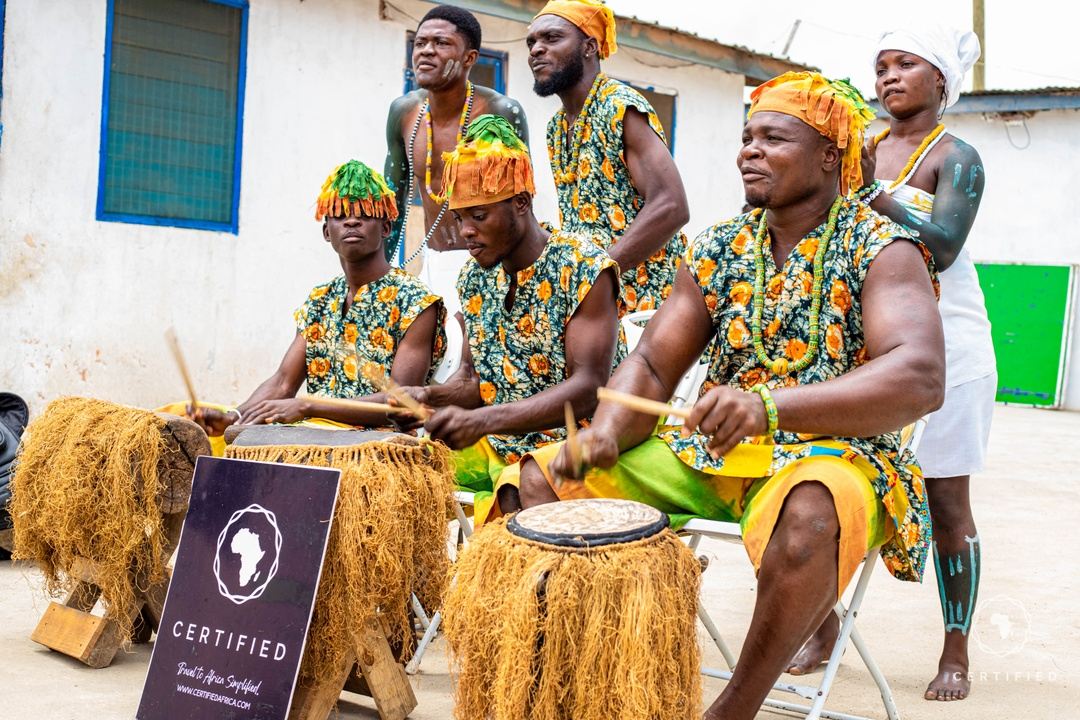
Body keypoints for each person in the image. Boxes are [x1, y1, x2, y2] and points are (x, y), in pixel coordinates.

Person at [513, 71, 945, 720]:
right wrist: (606, 431)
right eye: (746, 137)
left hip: (835, 454)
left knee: (809, 514)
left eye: (773, 137)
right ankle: (576, 686)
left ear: (830, 156)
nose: (750, 149)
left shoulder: (882, 246)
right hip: (712, 453)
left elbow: (918, 375)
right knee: (541, 480)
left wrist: (771, 408)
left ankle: (733, 708)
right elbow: (655, 364)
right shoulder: (721, 247)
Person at [846, 27, 990, 702]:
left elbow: (945, 244)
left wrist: (868, 195)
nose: (889, 76)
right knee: (842, 482)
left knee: (945, 500)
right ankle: (820, 628)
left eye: (906, 64)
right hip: (864, 344)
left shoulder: (959, 157)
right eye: (881, 66)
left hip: (948, 345)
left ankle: (955, 650)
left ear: (941, 82)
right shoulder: (859, 148)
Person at [395, 115, 621, 523]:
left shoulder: (583, 266)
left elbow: (589, 389)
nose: (464, 231)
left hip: (576, 445)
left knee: (518, 491)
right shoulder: (474, 276)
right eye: (459, 217)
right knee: (399, 469)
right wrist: (430, 398)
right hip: (497, 439)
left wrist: (484, 419)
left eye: (478, 216)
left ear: (521, 203)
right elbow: (472, 379)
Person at [179, 160, 446, 454]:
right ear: (326, 232)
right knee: (186, 421)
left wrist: (308, 406)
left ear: (385, 227)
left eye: (364, 214)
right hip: (310, 436)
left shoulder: (416, 301)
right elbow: (283, 383)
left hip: (376, 447)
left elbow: (399, 404)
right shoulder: (320, 300)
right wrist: (235, 417)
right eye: (341, 214)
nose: (352, 221)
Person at [527, 0, 689, 314]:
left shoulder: (619, 106)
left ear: (589, 47)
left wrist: (601, 273)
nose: (536, 49)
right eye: (531, 42)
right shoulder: (557, 128)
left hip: (646, 304)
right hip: (595, 301)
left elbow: (671, 205)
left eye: (551, 38)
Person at [384, 5, 529, 320]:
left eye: (441, 43)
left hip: (489, 270)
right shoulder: (404, 113)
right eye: (420, 43)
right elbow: (390, 202)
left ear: (470, 58)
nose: (426, 51)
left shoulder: (500, 112)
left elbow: (521, 204)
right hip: (431, 264)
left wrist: (518, 283)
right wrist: (382, 279)